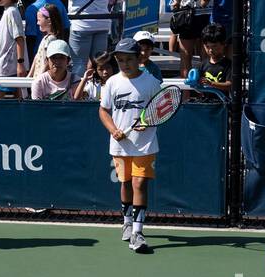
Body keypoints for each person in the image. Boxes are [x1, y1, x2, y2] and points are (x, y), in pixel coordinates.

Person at [99, 37, 161, 253]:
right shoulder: (112, 83)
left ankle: (138, 231)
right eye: (120, 60)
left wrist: (149, 121)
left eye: (129, 59)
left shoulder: (151, 82)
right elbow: (104, 111)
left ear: (139, 58)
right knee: (125, 184)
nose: (125, 64)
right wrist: (112, 129)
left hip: (145, 144)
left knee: (139, 183)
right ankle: (126, 221)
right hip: (120, 145)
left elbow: (160, 108)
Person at [0, 0, 25, 99]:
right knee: (18, 96)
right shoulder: (8, 11)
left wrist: (20, 64)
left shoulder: (12, 12)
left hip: (8, 65)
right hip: (8, 64)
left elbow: (19, 38)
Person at [67, 0, 111, 76]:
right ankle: (100, 86)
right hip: (102, 22)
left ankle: (77, 87)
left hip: (81, 24)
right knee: (100, 62)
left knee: (79, 63)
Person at [26, 0, 68, 79]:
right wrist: (30, 75)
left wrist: (40, 77)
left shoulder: (51, 40)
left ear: (49, 21)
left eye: (39, 20)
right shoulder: (46, 38)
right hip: (39, 78)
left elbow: (47, 62)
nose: (37, 23)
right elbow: (37, 56)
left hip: (43, 80)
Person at [168, 0, 210, 77]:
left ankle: (189, 87)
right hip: (192, 14)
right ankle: (189, 87)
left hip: (193, 13)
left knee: (187, 58)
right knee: (189, 58)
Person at [191, 21, 230, 101]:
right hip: (206, 104)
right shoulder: (202, 65)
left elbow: (229, 85)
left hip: (222, 104)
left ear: (223, 44)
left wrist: (211, 84)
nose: (211, 50)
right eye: (207, 46)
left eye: (214, 46)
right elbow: (197, 88)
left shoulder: (228, 64)